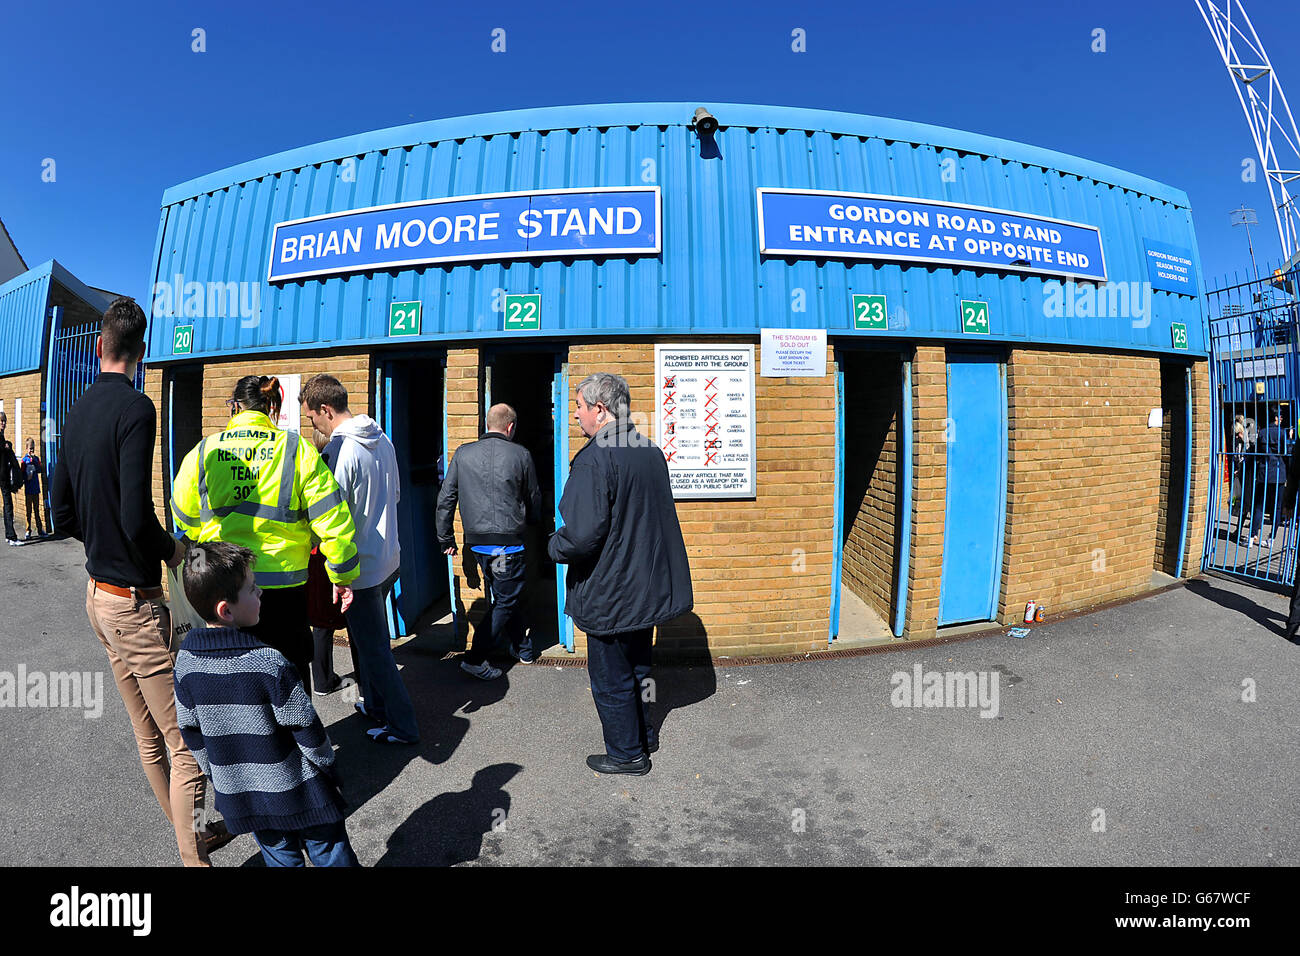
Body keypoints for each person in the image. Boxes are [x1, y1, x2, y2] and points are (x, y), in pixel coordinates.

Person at [49, 297, 219, 867]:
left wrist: (105, 553)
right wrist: (175, 552)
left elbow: (63, 514)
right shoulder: (137, 409)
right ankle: (193, 857)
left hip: (98, 598)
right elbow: (134, 516)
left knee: (149, 738)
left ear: (100, 346)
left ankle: (188, 838)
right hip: (135, 605)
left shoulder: (74, 413)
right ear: (141, 352)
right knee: (186, 745)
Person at [171, 375, 359, 696]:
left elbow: (184, 516)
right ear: (272, 408)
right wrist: (342, 573)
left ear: (235, 407)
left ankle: (253, 740)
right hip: (286, 590)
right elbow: (333, 519)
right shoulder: (297, 450)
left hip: (227, 588)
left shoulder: (205, 451)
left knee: (239, 679)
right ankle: (299, 741)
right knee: (289, 677)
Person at [174, 541, 358, 867]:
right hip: (300, 789)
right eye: (252, 589)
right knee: (330, 853)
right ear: (226, 610)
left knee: (281, 860)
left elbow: (190, 732)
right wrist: (330, 768)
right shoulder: (268, 662)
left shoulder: (185, 664)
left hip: (246, 799)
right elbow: (306, 729)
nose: (260, 594)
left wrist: (221, 777)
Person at [548, 373, 692, 776]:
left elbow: (580, 536)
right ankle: (644, 735)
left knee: (610, 676)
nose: (575, 416)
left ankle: (627, 754)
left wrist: (551, 545)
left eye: (578, 407)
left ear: (600, 409)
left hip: (610, 591)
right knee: (638, 666)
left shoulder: (595, 458)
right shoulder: (649, 451)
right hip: (644, 587)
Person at [300, 373, 418, 744]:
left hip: (359, 568)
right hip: (388, 559)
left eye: (312, 418)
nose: (312, 425)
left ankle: (403, 727)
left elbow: (327, 518)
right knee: (366, 642)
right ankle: (376, 708)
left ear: (325, 409)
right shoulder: (382, 439)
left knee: (376, 652)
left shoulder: (337, 451)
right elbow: (395, 495)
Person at [436, 402, 542, 680]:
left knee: (507, 596)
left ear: (487, 424)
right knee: (507, 599)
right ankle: (475, 658)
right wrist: (533, 524)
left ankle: (522, 648)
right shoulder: (521, 454)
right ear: (511, 427)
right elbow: (533, 498)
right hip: (507, 546)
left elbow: (446, 498)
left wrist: (445, 536)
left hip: (478, 546)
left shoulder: (463, 453)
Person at [1250, 407, 1289, 546]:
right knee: (1277, 507)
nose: (1282, 419)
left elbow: (1256, 451)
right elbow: (1286, 453)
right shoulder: (1282, 433)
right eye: (1280, 416)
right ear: (1276, 418)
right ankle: (1271, 539)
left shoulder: (1263, 432)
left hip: (1264, 472)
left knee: (1259, 505)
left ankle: (1252, 536)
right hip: (1279, 473)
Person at [20, 437, 46, 539]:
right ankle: (28, 530)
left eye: (33, 448)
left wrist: (34, 461)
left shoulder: (36, 459)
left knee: (36, 510)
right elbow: (22, 476)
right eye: (30, 448)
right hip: (28, 489)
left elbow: (39, 470)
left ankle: (40, 530)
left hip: (36, 488)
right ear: (26, 448)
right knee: (28, 511)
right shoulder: (24, 460)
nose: (32, 450)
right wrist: (27, 477)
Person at [0, 411, 18, 545]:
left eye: (4, 421)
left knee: (8, 505)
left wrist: (8, 445)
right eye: (1, 421)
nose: (3, 423)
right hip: (2, 476)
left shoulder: (2, 437)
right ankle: (11, 537)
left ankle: (9, 535)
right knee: (8, 506)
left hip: (3, 476)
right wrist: (6, 446)